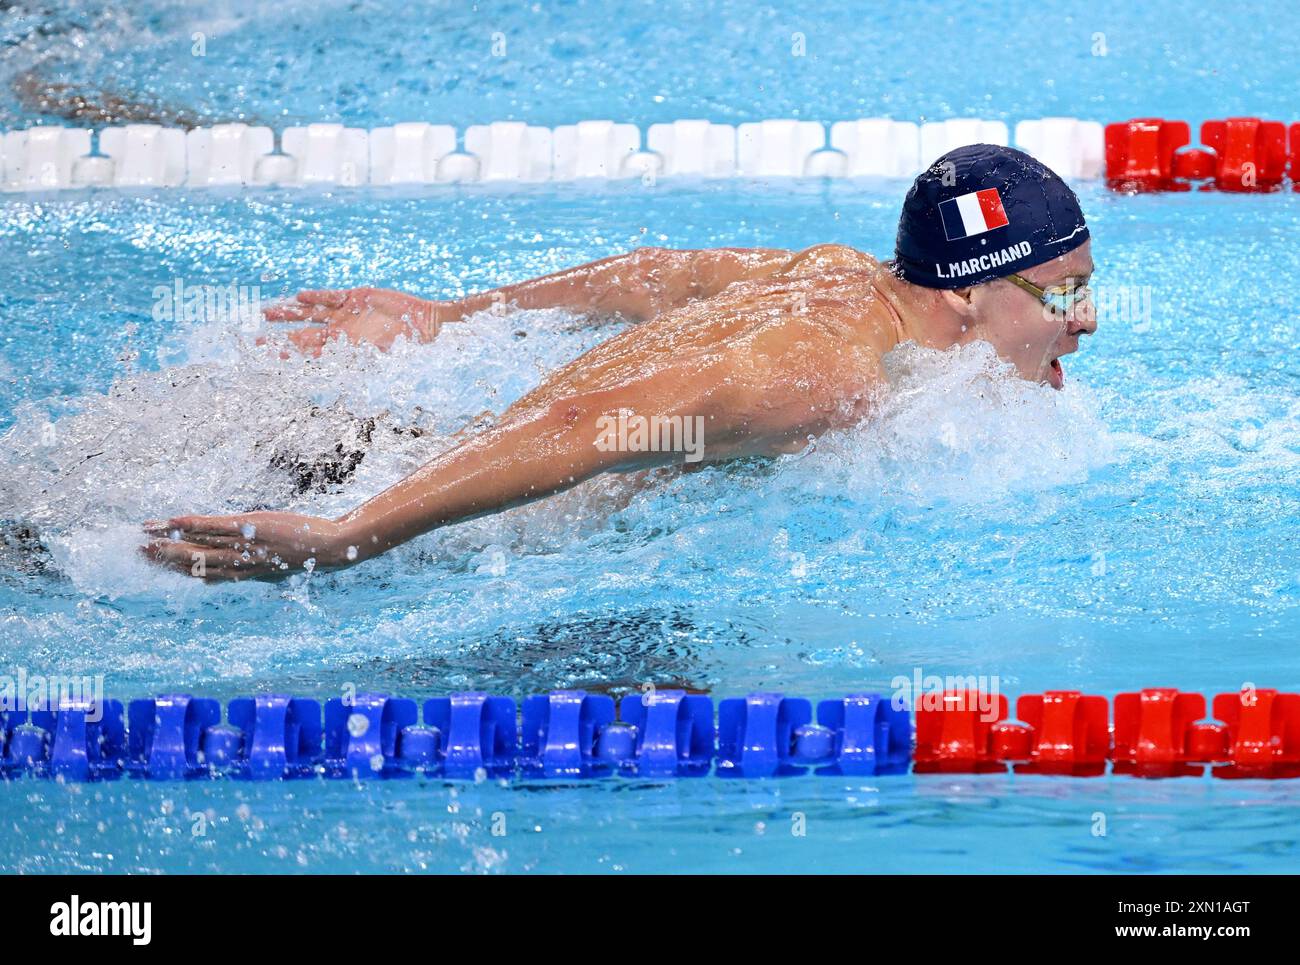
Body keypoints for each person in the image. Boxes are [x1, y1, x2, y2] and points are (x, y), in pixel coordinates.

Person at [143, 143, 1097, 581]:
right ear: (969, 291)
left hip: (385, 452)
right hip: (438, 525)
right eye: (1060, 291)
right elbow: (593, 429)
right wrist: (348, 535)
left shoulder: (839, 275)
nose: (1086, 320)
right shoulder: (832, 378)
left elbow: (659, 276)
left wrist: (448, 319)